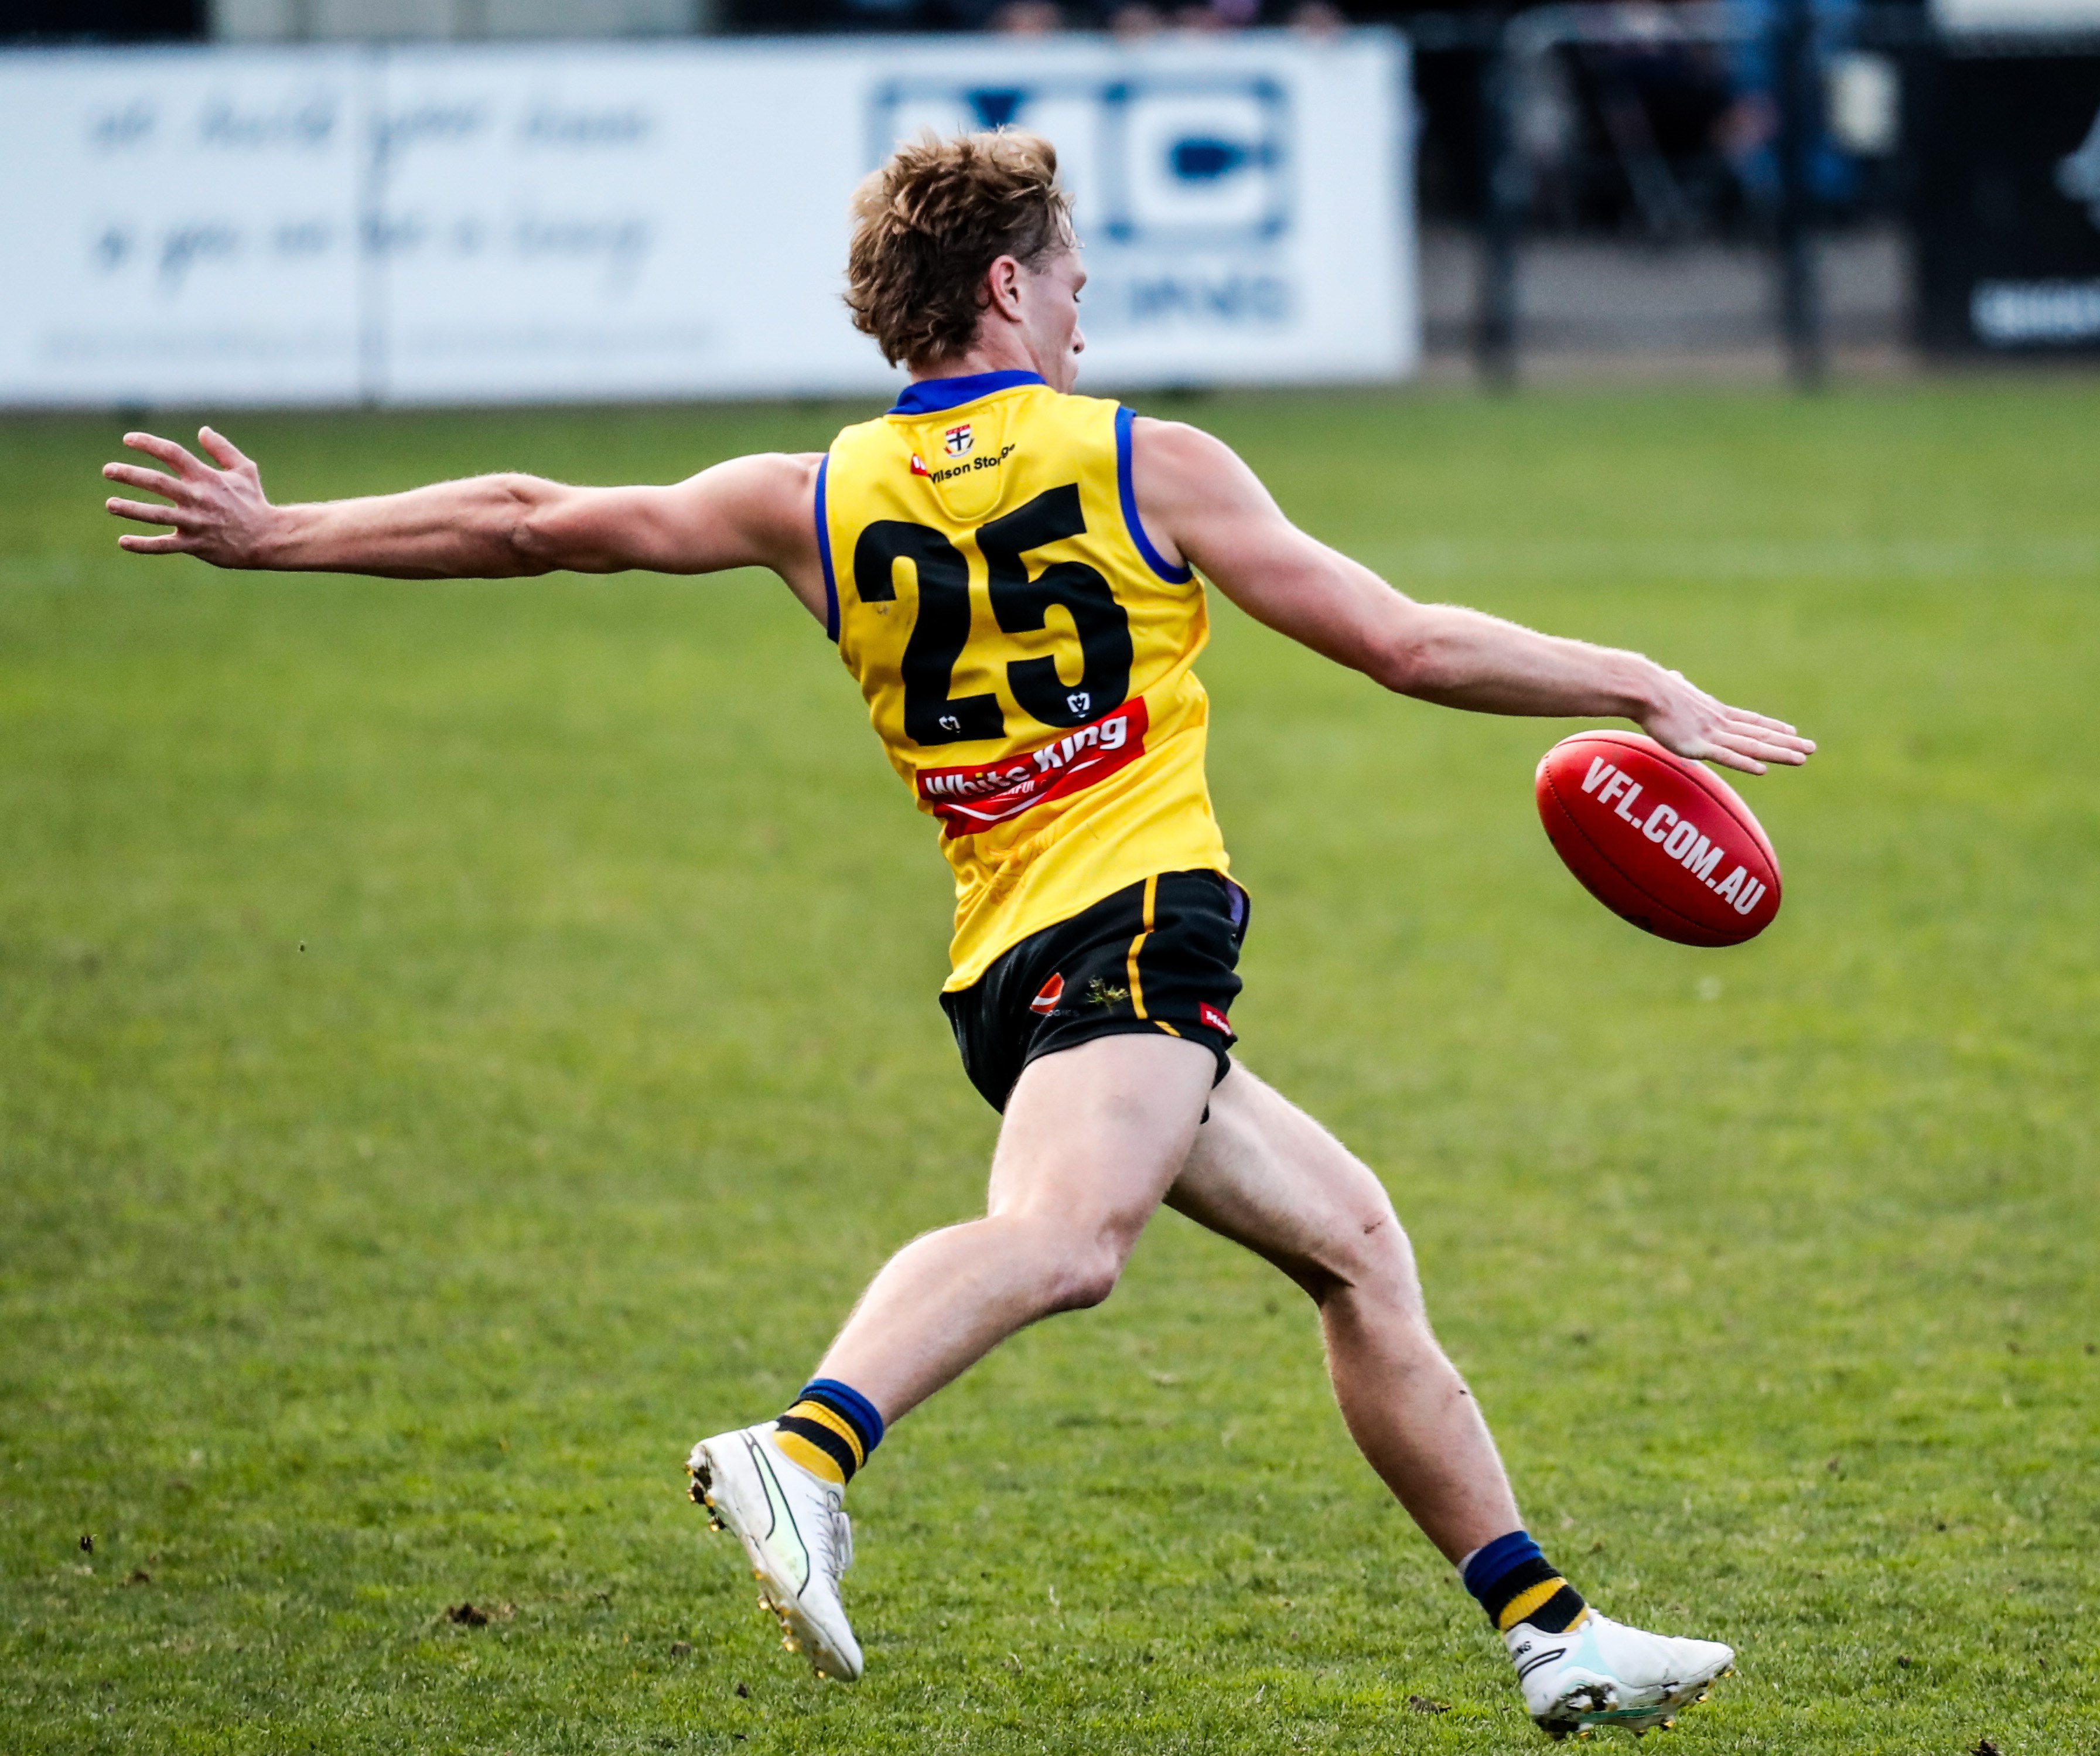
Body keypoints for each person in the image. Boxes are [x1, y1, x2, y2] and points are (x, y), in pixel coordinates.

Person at [101, 131, 1812, 1740]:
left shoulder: (807, 495)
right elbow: (1404, 646)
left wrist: (279, 535)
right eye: (1070, 276)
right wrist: (1636, 682)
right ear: (1005, 286)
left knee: (1355, 1248)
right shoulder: (1147, 456)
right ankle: (805, 1447)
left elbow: (537, 520)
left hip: (1008, 960)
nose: (1087, 307)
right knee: (1068, 1245)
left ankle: (1550, 1633)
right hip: (1132, 929)